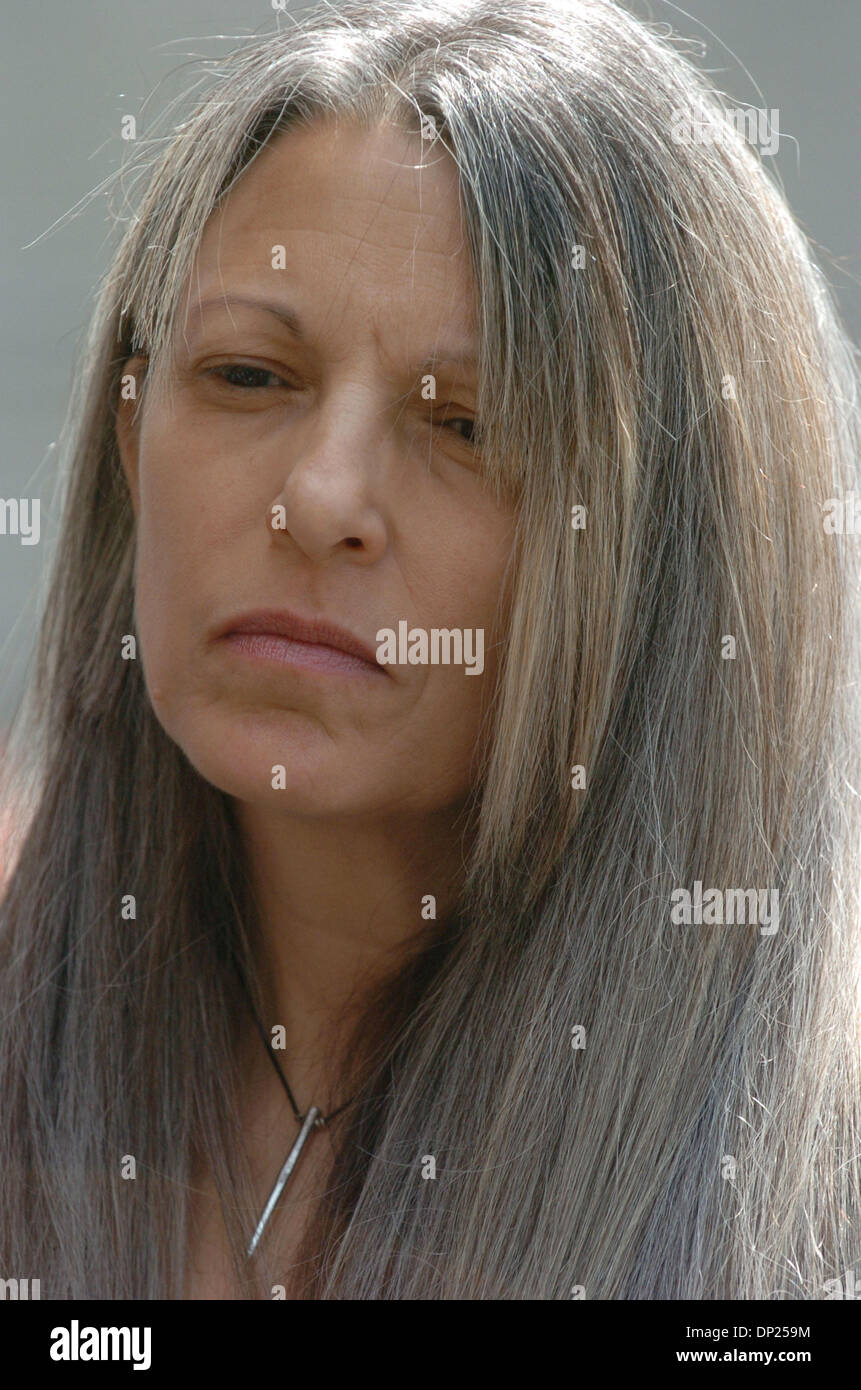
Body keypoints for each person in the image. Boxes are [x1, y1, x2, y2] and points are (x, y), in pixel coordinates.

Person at [1, 0, 859, 1300]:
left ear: (671, 557)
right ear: (129, 443)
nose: (320, 498)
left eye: (467, 423)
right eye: (247, 376)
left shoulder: (805, 1221)